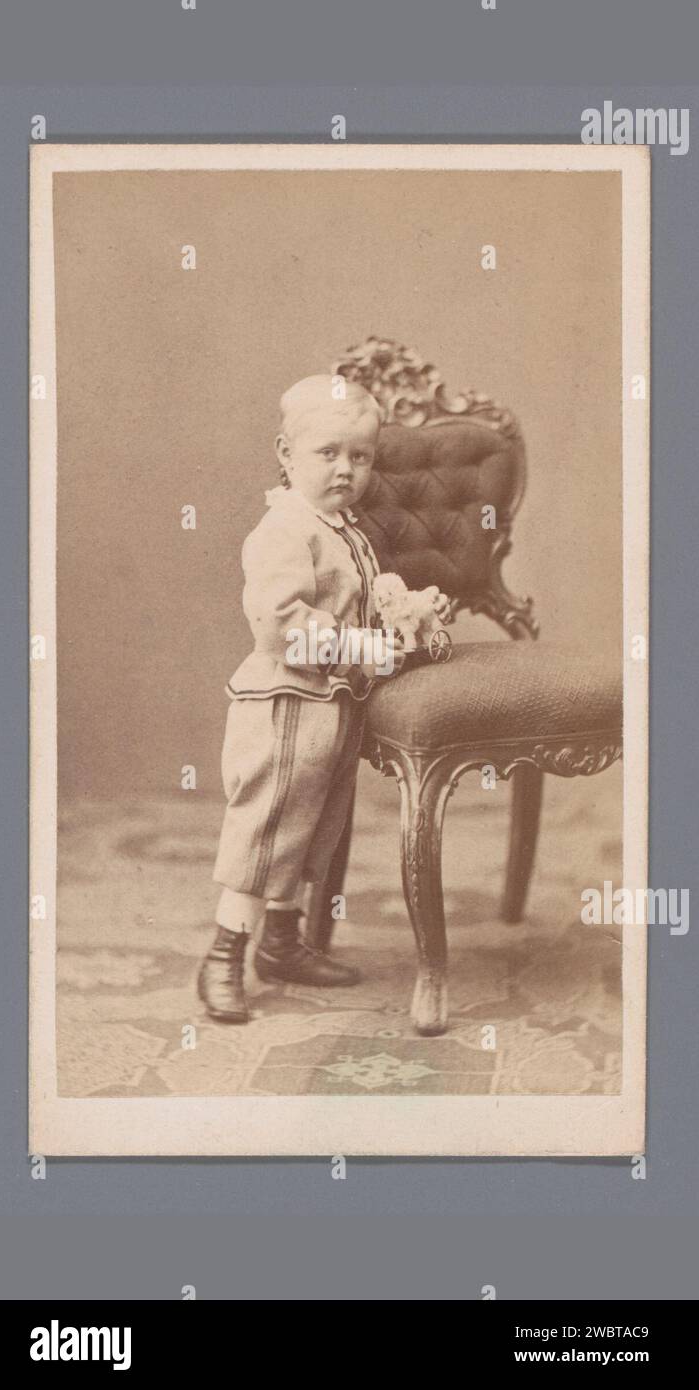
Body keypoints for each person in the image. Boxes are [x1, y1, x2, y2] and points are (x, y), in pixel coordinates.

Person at [198, 373, 451, 1023]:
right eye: (328, 453)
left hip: (331, 702)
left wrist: (407, 613)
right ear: (286, 454)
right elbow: (282, 626)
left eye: (360, 456)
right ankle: (224, 954)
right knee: (268, 829)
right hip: (285, 703)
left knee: (311, 829)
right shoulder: (284, 530)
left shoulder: (343, 527)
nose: (346, 469)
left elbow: (360, 597)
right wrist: (367, 646)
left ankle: (281, 944)